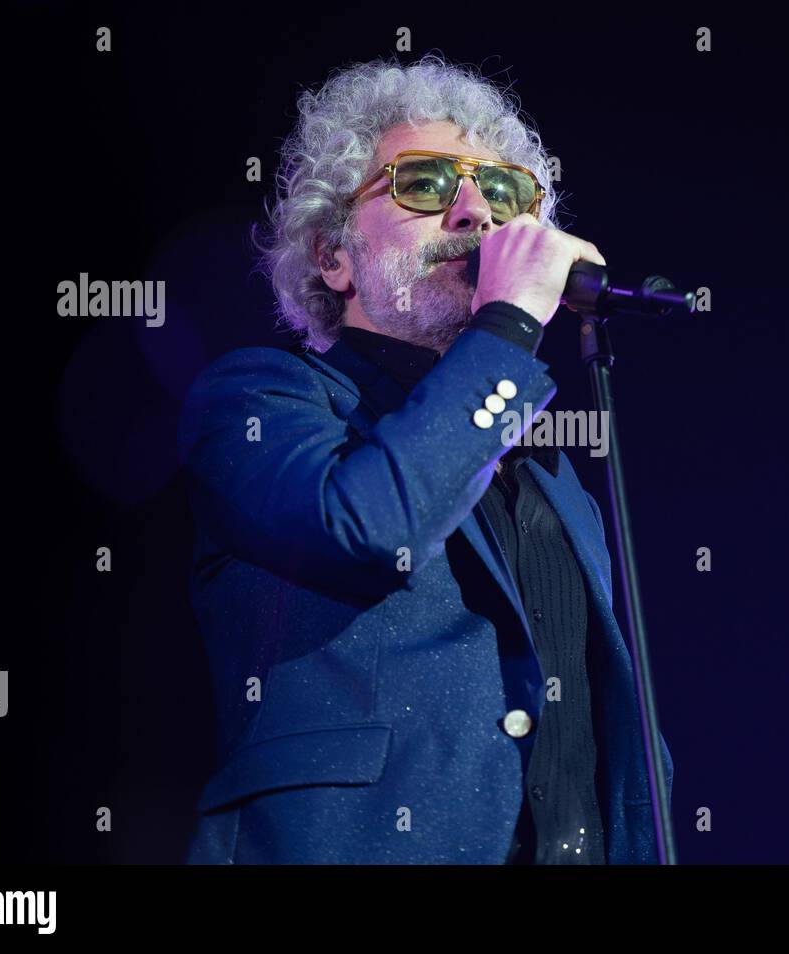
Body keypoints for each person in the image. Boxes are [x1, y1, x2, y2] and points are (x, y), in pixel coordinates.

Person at [178, 53, 673, 864]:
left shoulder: (551, 475)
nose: (477, 213)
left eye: (505, 192)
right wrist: (508, 326)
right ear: (333, 255)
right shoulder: (258, 400)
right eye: (427, 183)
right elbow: (363, 523)